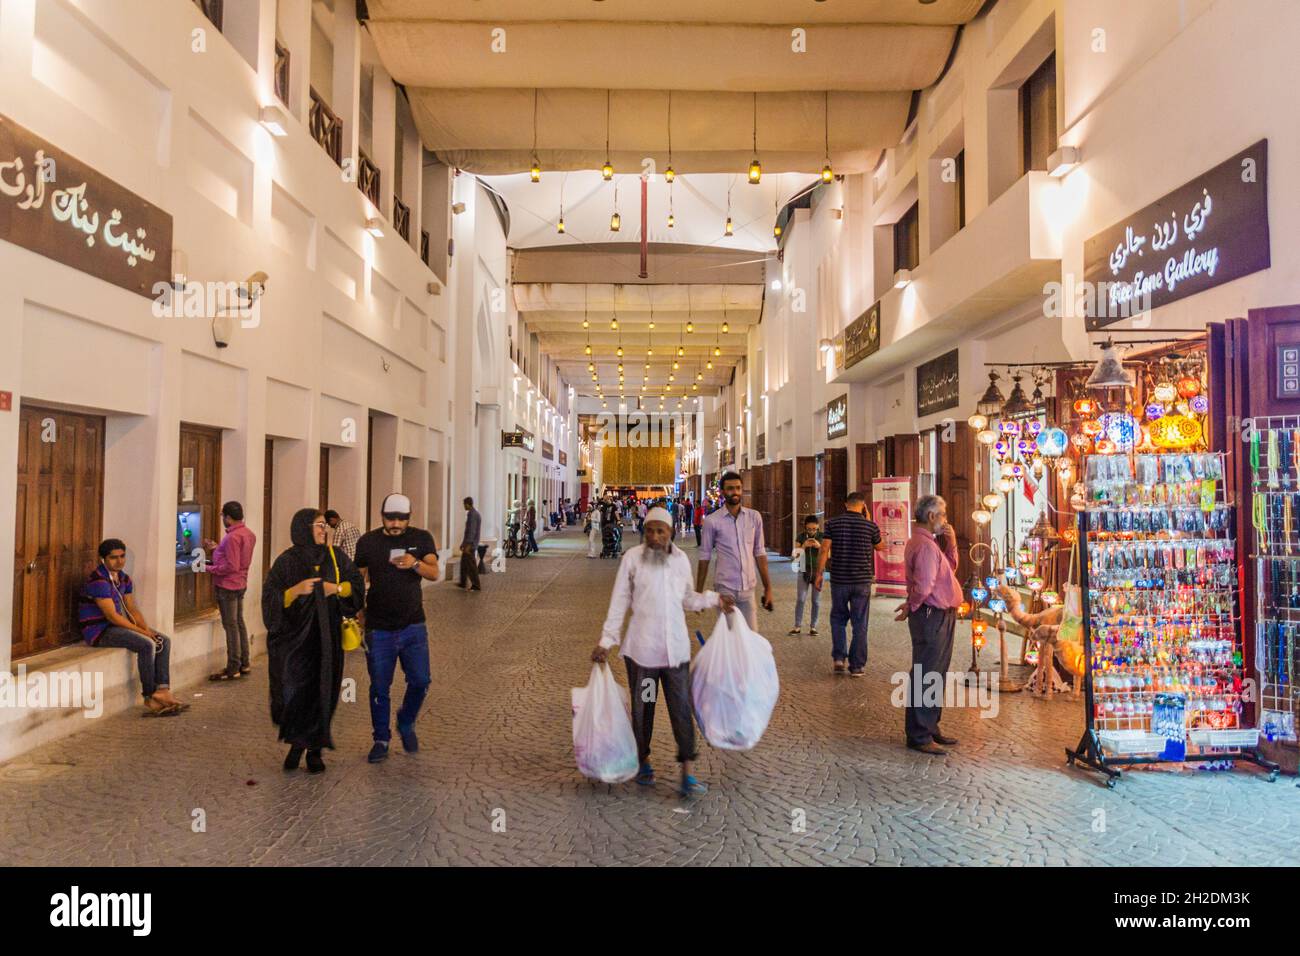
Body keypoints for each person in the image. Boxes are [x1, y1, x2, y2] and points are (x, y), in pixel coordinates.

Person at [591, 507, 734, 796]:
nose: (655, 537)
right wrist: (607, 641)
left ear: (670, 533)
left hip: (676, 654)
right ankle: (643, 761)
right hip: (642, 654)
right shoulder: (632, 559)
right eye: (650, 531)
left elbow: (688, 599)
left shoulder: (680, 560)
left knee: (681, 710)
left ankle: (687, 772)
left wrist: (715, 599)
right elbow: (619, 601)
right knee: (644, 709)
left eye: (661, 531)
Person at [263, 509, 363, 772]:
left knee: (323, 692)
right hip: (296, 644)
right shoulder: (287, 562)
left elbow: (356, 585)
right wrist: (294, 592)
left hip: (327, 643)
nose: (323, 530)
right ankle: (297, 743)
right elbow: (270, 599)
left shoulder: (336, 558)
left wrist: (337, 589)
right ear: (302, 528)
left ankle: (314, 751)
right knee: (295, 691)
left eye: (323, 525)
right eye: (318, 525)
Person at [354, 493, 439, 763]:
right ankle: (381, 738)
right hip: (378, 628)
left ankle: (406, 719)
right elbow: (359, 579)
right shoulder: (368, 542)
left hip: (413, 625)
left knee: (421, 680)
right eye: (390, 518)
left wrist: (414, 564)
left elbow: (435, 572)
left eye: (401, 519)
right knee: (379, 687)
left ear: (408, 518)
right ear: (382, 517)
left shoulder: (421, 538)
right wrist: (358, 615)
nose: (395, 524)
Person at [78, 539, 186, 716]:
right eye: (114, 558)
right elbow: (112, 617)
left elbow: (132, 609)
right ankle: (150, 696)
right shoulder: (98, 582)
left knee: (162, 640)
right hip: (99, 630)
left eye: (122, 556)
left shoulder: (123, 579)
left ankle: (163, 691)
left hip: (115, 626)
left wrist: (148, 630)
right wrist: (144, 634)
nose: (120, 561)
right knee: (146, 645)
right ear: (103, 559)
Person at [895, 494, 963, 755]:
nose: (945, 521)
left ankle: (929, 726)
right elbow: (924, 585)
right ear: (932, 516)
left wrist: (952, 542)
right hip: (931, 614)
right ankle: (919, 734)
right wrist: (911, 606)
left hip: (938, 613)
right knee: (927, 673)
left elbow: (948, 569)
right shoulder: (924, 546)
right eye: (943, 515)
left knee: (935, 672)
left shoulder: (931, 544)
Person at [814, 491, 885, 677]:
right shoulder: (869, 526)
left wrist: (819, 574)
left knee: (838, 618)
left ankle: (839, 658)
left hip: (840, 579)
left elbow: (824, 550)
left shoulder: (832, 524)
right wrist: (869, 520)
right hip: (862, 581)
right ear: (862, 505)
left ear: (845, 504)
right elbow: (880, 547)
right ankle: (857, 666)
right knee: (860, 622)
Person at [696, 471, 773, 629]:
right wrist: (698, 594)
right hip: (725, 590)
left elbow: (760, 553)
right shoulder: (712, 521)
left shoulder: (754, 517)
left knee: (751, 639)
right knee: (730, 641)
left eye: (738, 488)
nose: (735, 492)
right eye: (730, 488)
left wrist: (768, 588)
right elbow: (704, 556)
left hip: (748, 589)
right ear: (723, 492)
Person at [204, 500, 257, 681]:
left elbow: (231, 565)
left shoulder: (232, 537)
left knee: (231, 625)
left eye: (223, 516)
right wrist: (217, 548)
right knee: (239, 623)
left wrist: (208, 568)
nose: (223, 520)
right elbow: (236, 558)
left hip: (227, 585)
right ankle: (245, 663)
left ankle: (232, 667)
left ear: (228, 517)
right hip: (241, 583)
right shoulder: (248, 534)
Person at [790, 514, 822, 637]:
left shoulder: (822, 536)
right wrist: (803, 546)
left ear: (818, 527)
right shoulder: (801, 536)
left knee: (816, 601)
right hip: (803, 570)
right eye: (809, 529)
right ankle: (797, 626)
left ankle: (813, 627)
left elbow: (828, 555)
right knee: (801, 599)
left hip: (818, 571)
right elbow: (795, 557)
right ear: (805, 528)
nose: (812, 531)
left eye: (814, 529)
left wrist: (819, 546)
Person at [459, 496, 482, 591]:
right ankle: (463, 582)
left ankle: (476, 584)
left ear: (467, 504)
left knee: (471, 565)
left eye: (464, 504)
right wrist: (463, 543)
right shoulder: (475, 513)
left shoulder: (472, 515)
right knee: (464, 563)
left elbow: (471, 531)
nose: (464, 506)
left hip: (471, 545)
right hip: (470, 543)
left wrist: (468, 544)